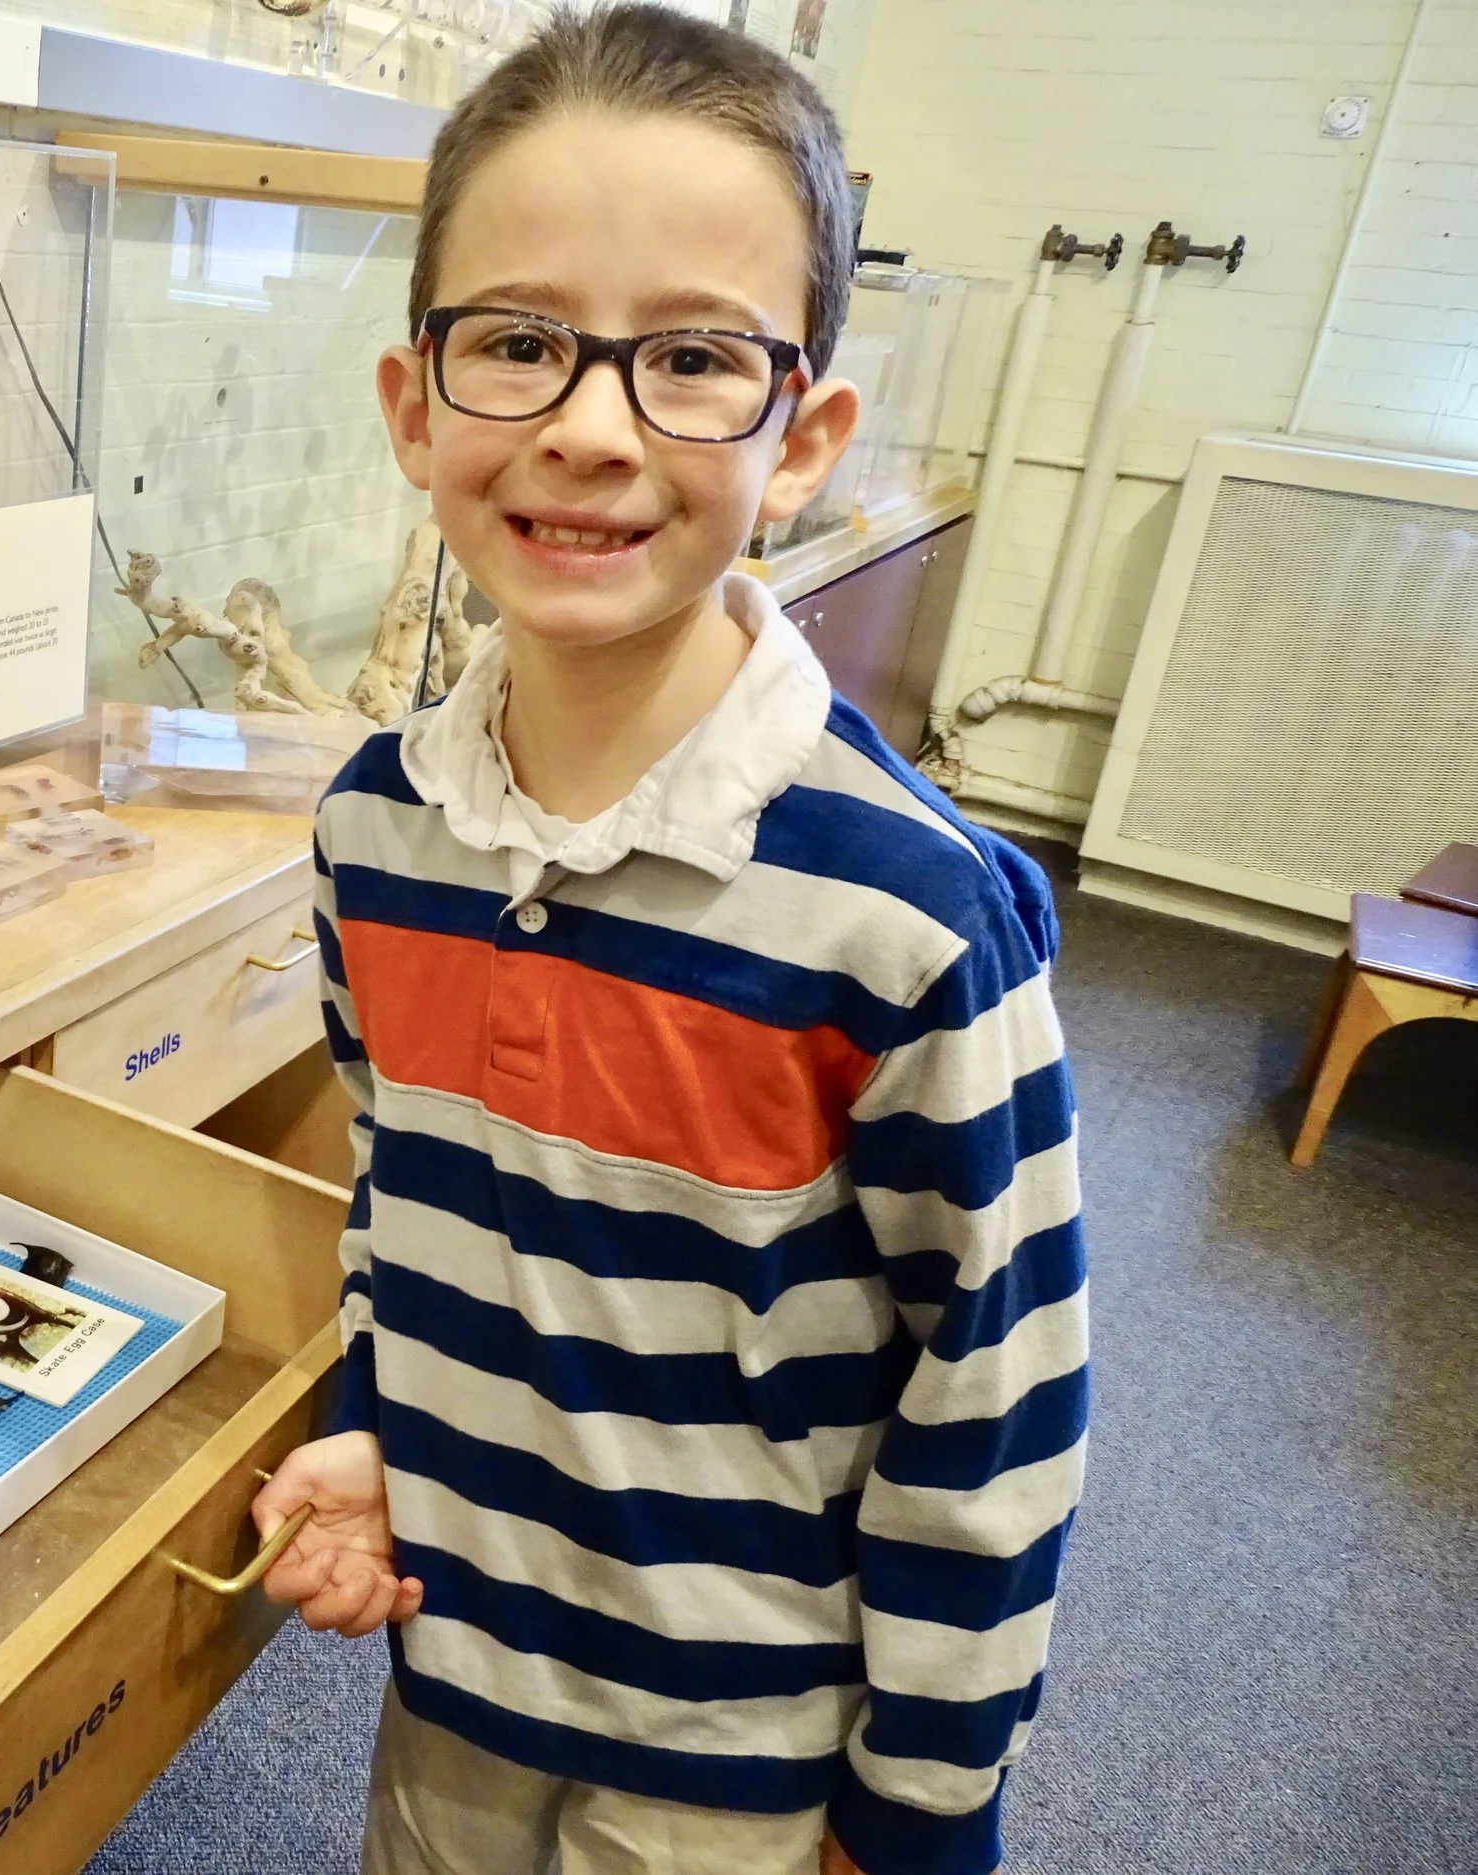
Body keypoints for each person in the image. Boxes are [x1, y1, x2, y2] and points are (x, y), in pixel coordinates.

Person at [251, 9, 1089, 1875]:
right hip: (456, 1672)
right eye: (520, 342)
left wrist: (925, 1806)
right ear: (413, 403)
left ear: (802, 439)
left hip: (750, 1749)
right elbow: (412, 1186)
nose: (589, 427)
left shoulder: (912, 916)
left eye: (695, 358)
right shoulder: (379, 828)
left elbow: (1001, 1393)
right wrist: (385, 1422)